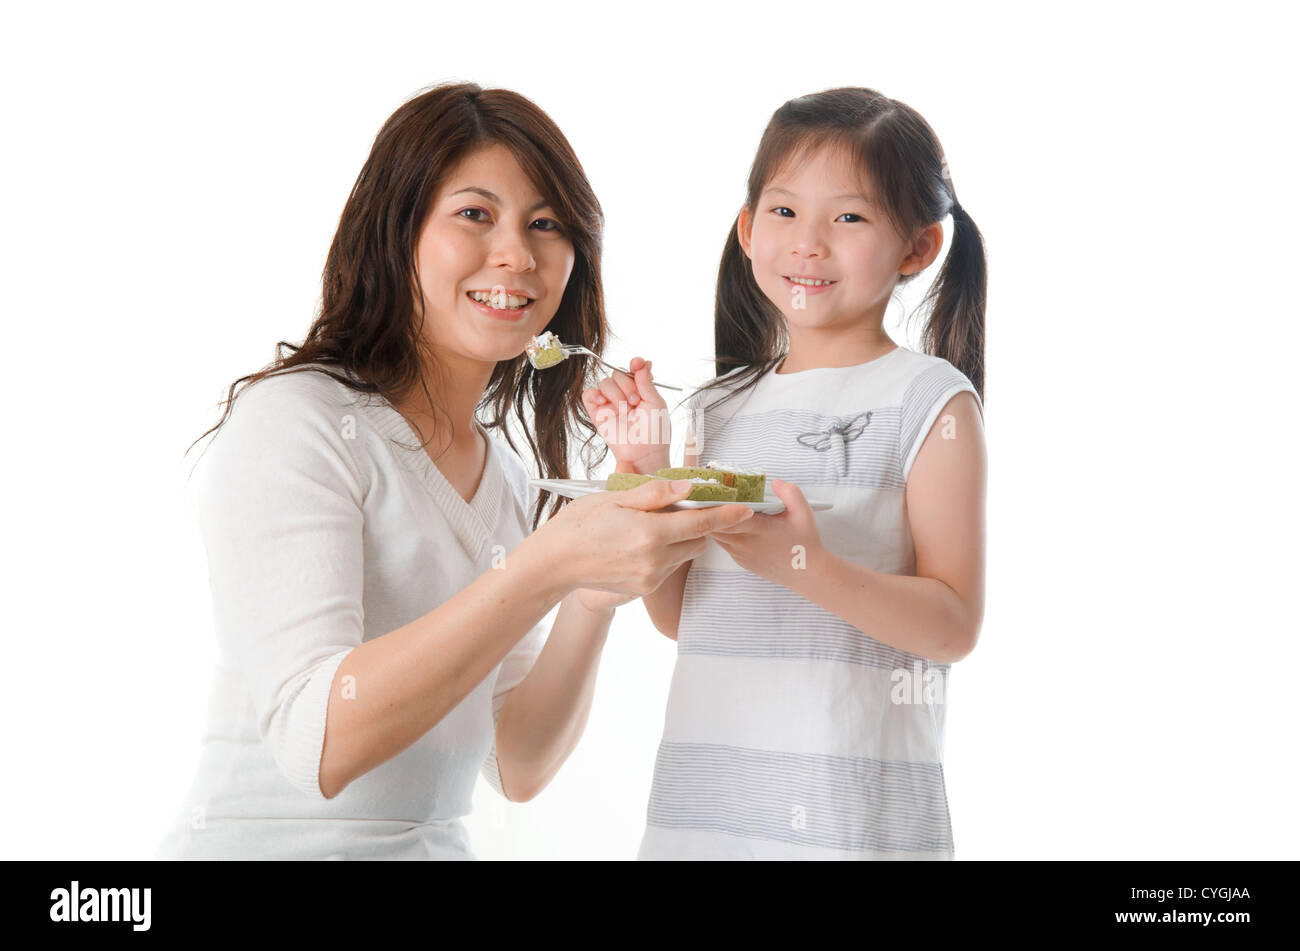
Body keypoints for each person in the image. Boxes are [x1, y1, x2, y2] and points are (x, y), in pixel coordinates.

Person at [154, 81, 753, 860]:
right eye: (475, 214)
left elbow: (519, 760)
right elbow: (318, 743)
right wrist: (549, 562)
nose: (516, 254)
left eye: (546, 224)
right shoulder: (296, 423)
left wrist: (592, 593)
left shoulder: (501, 473)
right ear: (395, 231)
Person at [588, 87, 988, 859]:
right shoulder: (719, 405)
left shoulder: (928, 400)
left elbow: (954, 624)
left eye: (849, 217)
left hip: (851, 826)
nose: (808, 243)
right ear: (746, 229)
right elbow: (683, 616)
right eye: (782, 213)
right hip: (703, 818)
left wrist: (807, 565)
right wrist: (647, 474)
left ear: (917, 248)